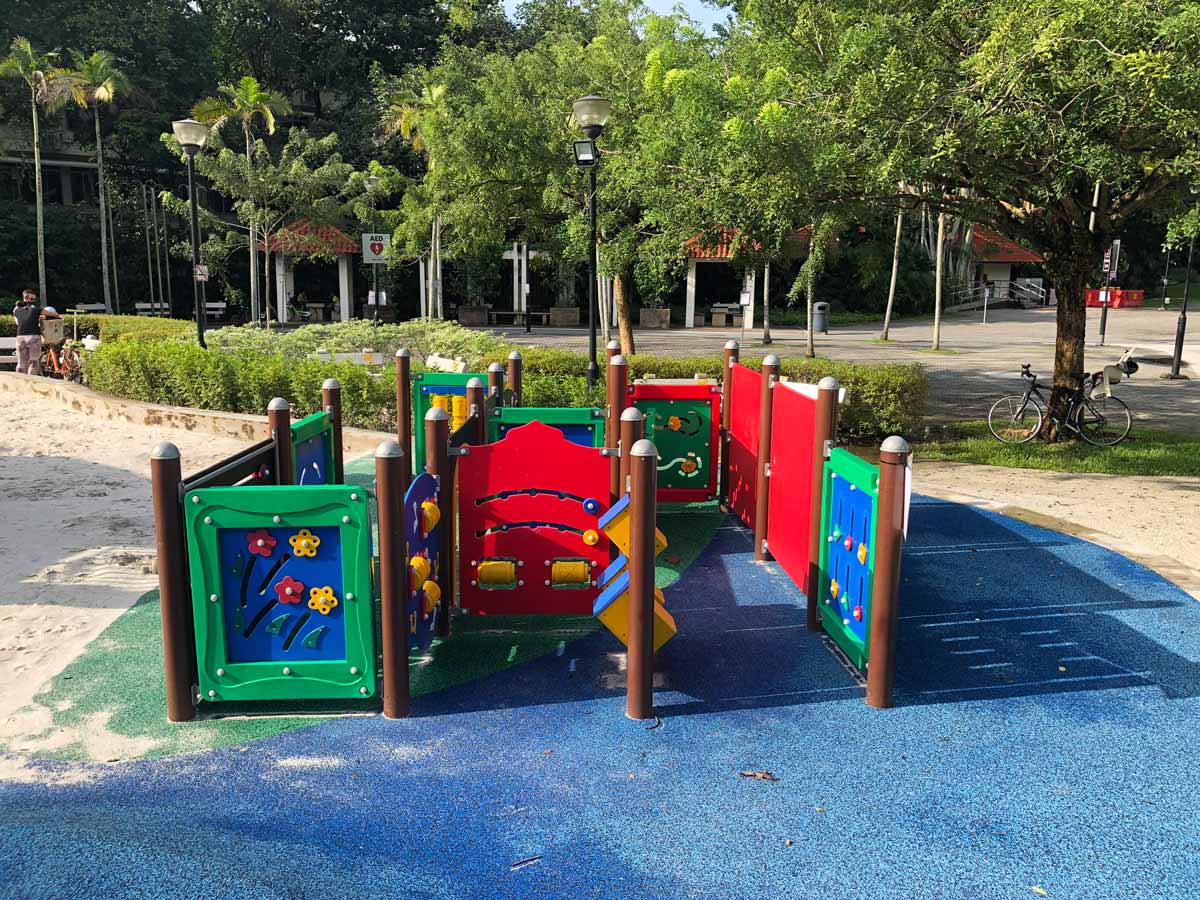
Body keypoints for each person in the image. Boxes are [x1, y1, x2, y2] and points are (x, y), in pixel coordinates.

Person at [12, 288, 60, 376]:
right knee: (33, 362)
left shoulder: (16, 310)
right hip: (33, 337)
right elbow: (54, 314)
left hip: (20, 337)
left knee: (21, 362)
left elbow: (20, 322)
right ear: (26, 298)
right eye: (32, 299)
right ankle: (31, 380)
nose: (34, 301)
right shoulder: (35, 309)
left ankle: (19, 380)